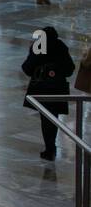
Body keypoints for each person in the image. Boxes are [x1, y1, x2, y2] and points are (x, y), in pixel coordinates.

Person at [23, 26, 77, 160]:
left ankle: (50, 148)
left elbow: (27, 67)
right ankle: (51, 146)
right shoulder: (61, 47)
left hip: (42, 88)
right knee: (54, 117)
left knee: (45, 118)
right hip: (57, 88)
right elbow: (70, 69)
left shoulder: (39, 47)